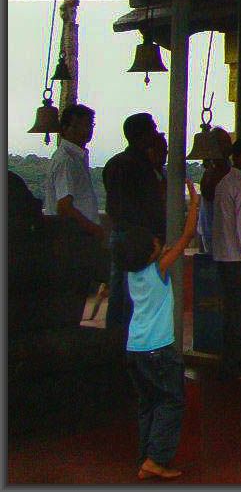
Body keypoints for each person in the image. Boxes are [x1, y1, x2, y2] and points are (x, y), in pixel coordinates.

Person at [115, 180, 200, 481]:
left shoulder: (130, 275)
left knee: (148, 404)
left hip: (135, 348)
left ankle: (146, 457)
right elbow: (188, 235)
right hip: (159, 350)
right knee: (171, 401)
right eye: (153, 243)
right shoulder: (159, 268)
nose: (157, 242)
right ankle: (156, 458)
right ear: (151, 253)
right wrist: (194, 200)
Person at [103, 113, 165, 340]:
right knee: (135, 295)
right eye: (153, 129)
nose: (156, 133)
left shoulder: (114, 164)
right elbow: (150, 206)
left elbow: (114, 205)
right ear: (144, 134)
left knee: (119, 293)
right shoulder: (141, 167)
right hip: (138, 238)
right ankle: (129, 345)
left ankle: (113, 343)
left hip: (120, 234)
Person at [212, 136, 241, 381]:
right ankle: (238, 363)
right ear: (238, 157)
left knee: (231, 313)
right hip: (238, 259)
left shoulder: (223, 183)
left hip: (222, 256)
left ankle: (230, 361)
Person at [46, 103, 105, 240]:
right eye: (79, 126)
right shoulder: (66, 160)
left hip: (76, 237)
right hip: (72, 238)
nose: (86, 130)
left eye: (89, 125)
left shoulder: (75, 158)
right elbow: (64, 207)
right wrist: (94, 229)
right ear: (65, 129)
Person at [198, 129, 234, 254]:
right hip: (214, 234)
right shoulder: (212, 172)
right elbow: (208, 193)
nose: (228, 147)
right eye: (223, 143)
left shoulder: (227, 169)